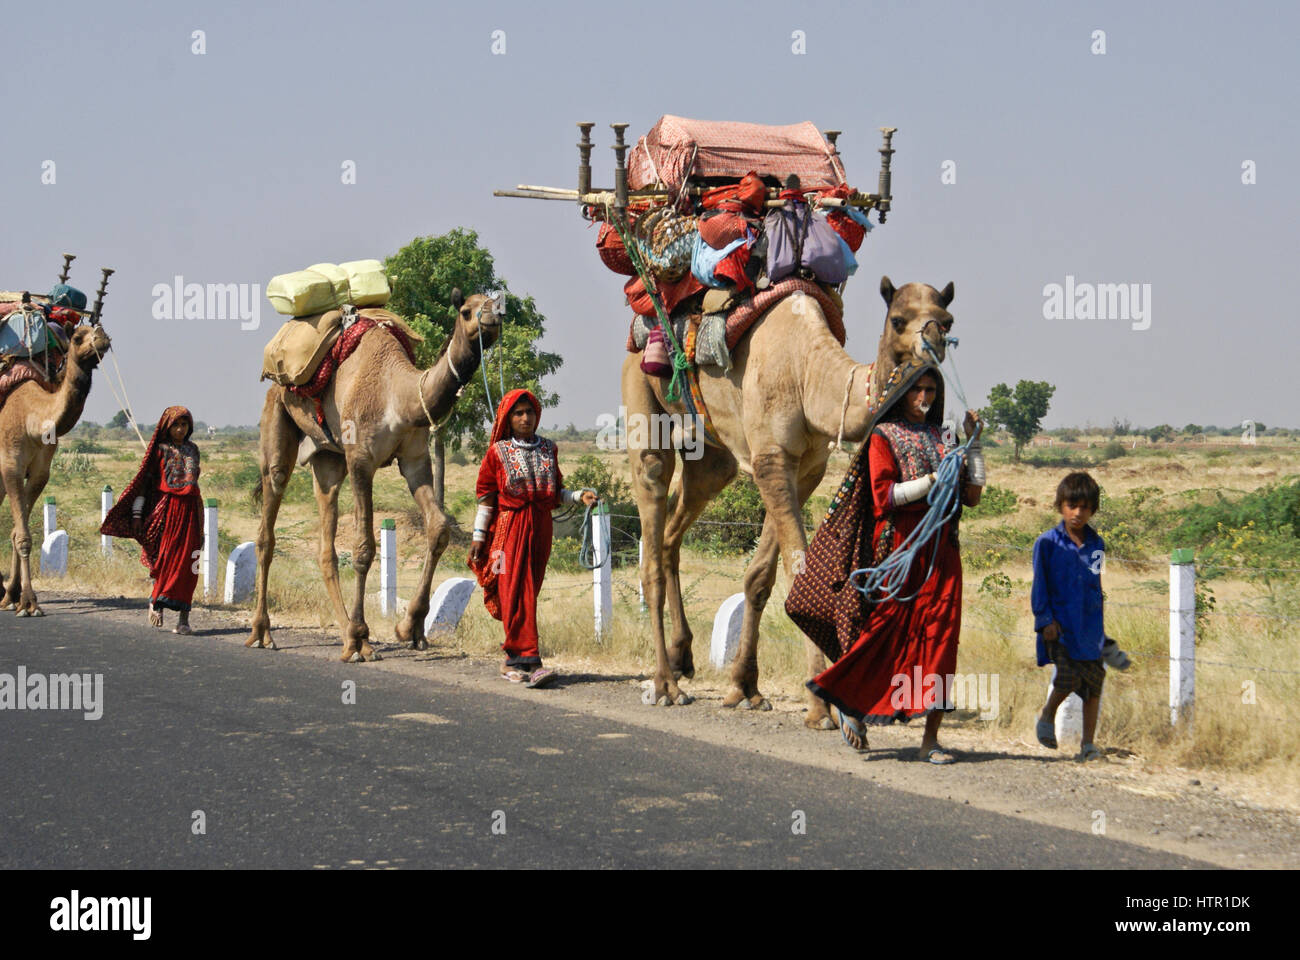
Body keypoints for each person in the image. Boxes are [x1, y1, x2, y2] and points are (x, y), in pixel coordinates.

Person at [806, 365, 985, 763]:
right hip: (900, 550)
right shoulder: (883, 437)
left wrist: (974, 445)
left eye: (931, 391)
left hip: (942, 550)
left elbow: (971, 497)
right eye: (916, 390)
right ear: (902, 393)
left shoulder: (946, 436)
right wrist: (931, 482)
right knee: (885, 634)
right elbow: (884, 497)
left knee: (942, 639)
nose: (924, 398)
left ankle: (931, 740)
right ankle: (851, 701)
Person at [468, 389, 598, 688]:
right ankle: (532, 660)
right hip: (508, 528)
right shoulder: (497, 453)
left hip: (541, 526)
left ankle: (513, 660)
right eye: (518, 413)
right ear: (508, 419)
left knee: (530, 589)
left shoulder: (548, 449)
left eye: (530, 412)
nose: (525, 418)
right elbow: (486, 499)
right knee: (514, 588)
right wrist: (478, 536)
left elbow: (555, 493)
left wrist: (580, 496)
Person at [1031, 471, 1128, 762]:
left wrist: (1100, 629)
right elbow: (1040, 585)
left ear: (1093, 510)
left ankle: (1088, 745)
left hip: (1089, 627)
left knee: (1094, 683)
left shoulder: (1097, 545)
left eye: (1085, 507)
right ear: (1060, 506)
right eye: (1072, 506)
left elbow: (1096, 585)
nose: (1078, 513)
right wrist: (1045, 619)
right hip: (1059, 626)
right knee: (1069, 676)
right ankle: (1048, 714)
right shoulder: (1047, 543)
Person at [100, 406, 204, 634]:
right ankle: (156, 603)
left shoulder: (193, 449)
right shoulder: (159, 450)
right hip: (168, 510)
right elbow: (143, 486)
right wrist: (137, 515)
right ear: (167, 427)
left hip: (191, 511)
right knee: (165, 559)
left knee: (190, 565)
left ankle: (184, 619)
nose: (180, 429)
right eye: (176, 425)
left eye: (184, 425)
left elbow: (193, 482)